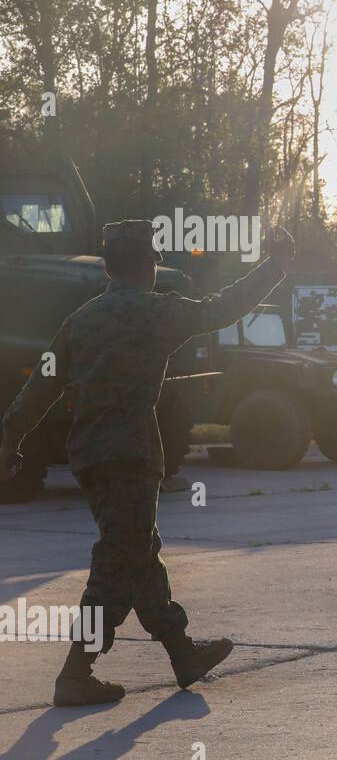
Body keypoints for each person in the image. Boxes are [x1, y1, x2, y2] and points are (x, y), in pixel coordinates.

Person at [0, 219, 296, 706]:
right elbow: (220, 310)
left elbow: (42, 383)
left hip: (91, 458)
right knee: (118, 561)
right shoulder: (154, 311)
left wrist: (11, 437)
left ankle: (182, 653)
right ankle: (76, 672)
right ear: (148, 266)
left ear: (110, 268)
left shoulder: (81, 319)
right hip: (130, 455)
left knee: (138, 553)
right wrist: (275, 267)